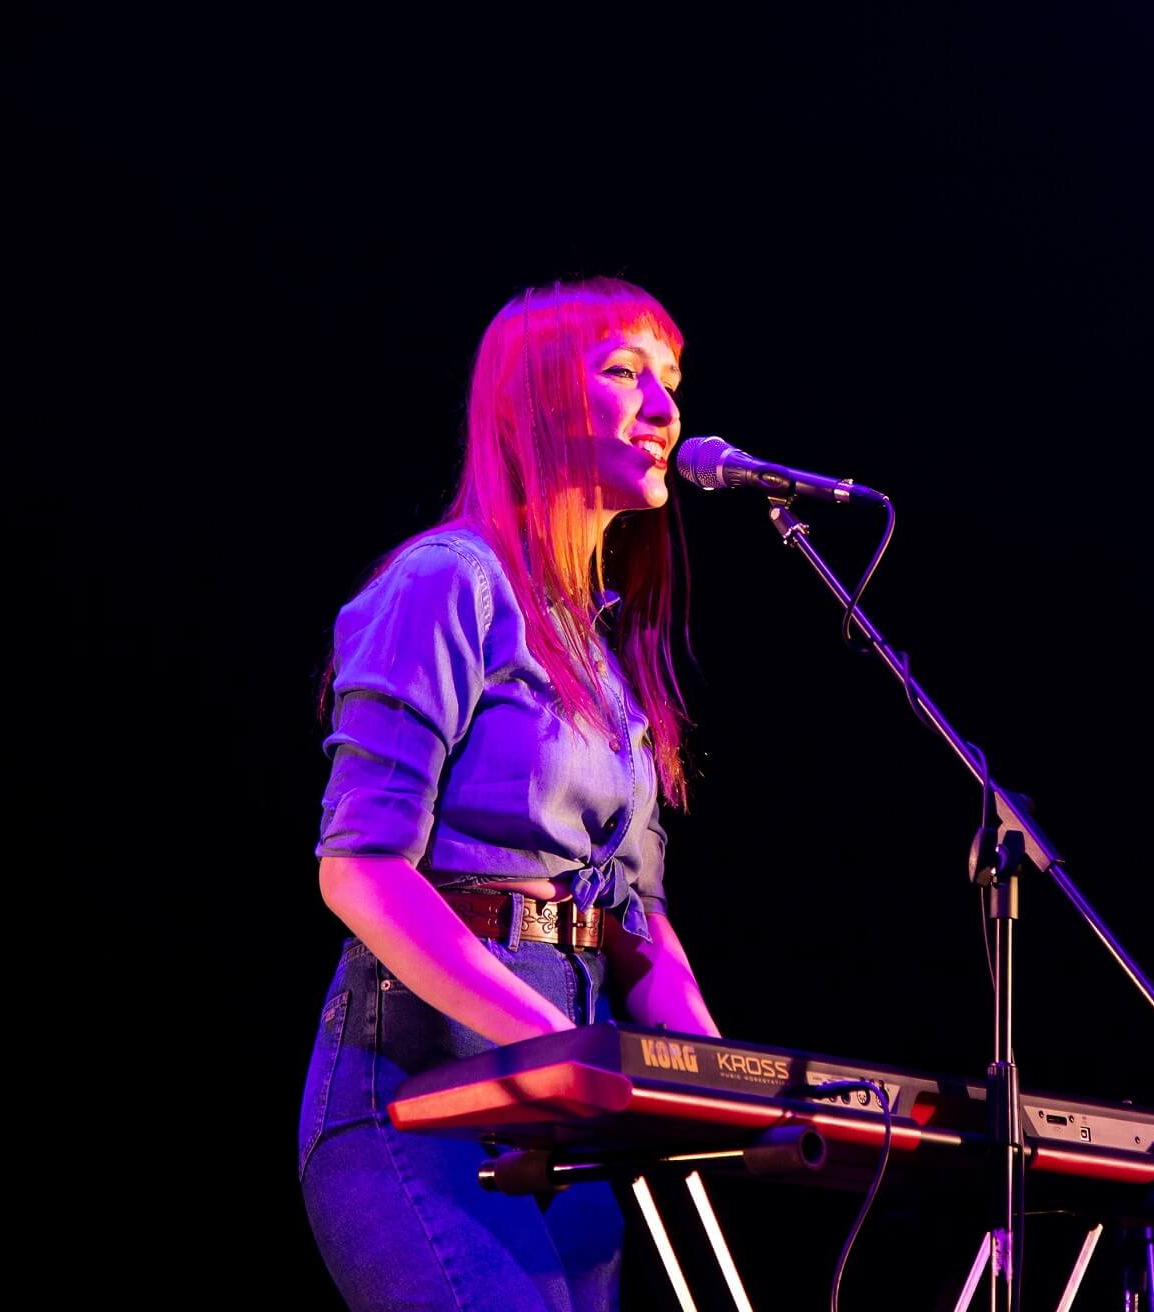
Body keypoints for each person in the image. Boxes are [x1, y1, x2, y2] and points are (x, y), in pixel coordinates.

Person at [297, 276, 721, 1311]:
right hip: (417, 1094)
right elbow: (359, 871)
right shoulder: (447, 583)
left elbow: (639, 924)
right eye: (623, 374)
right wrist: (547, 1040)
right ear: (534, 403)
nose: (663, 410)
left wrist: (719, 1079)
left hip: (561, 1117)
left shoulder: (606, 655)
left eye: (668, 380)